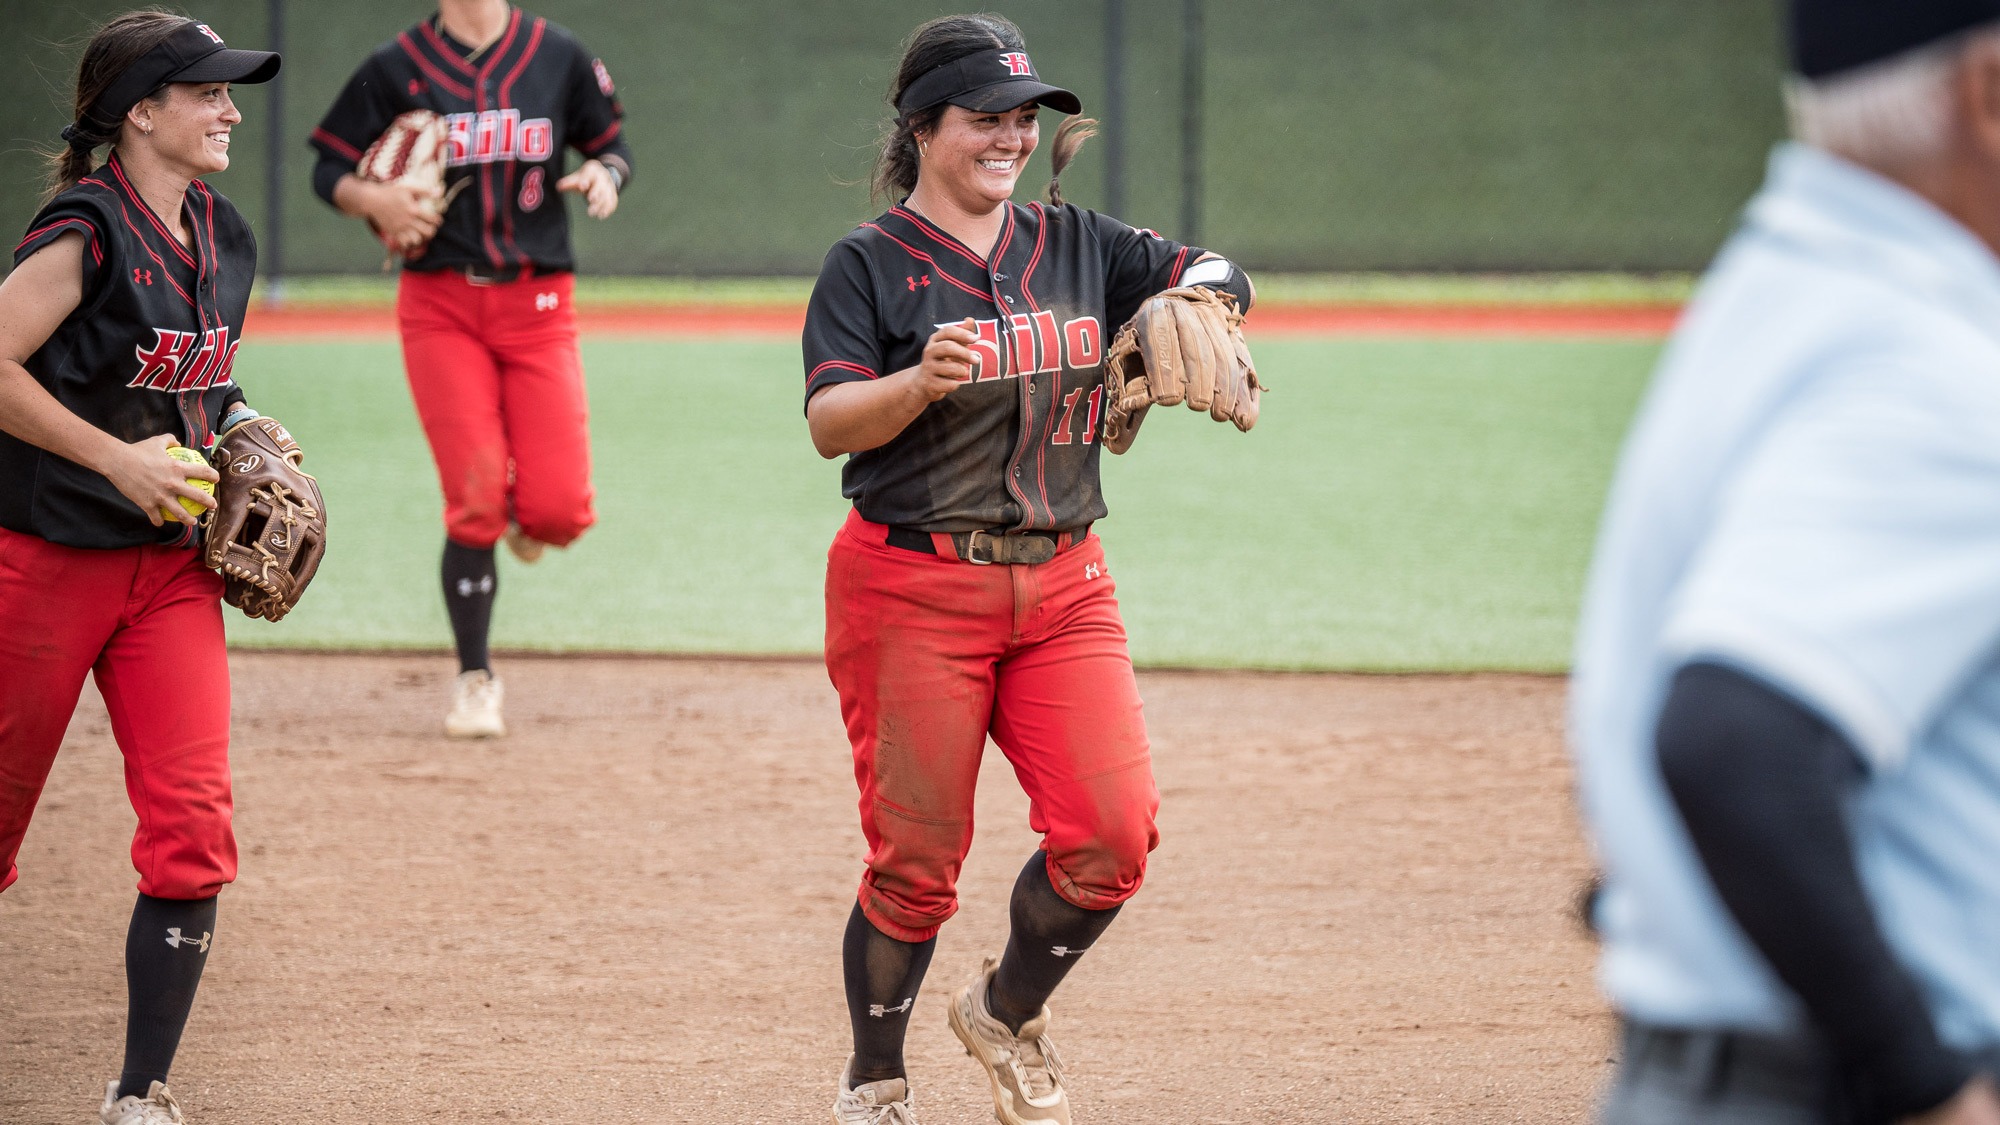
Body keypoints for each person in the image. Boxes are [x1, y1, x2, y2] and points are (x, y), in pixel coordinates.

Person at [802, 14, 1257, 1124]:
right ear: (923, 130)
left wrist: (1191, 299)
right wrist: (914, 386)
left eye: (1020, 119)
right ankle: (875, 1083)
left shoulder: (1079, 242)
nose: (1007, 138)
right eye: (982, 119)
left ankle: (1004, 1012)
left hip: (1064, 588)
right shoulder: (868, 264)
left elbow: (1216, 265)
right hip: (910, 585)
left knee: (1111, 835)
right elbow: (827, 421)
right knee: (915, 866)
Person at [1572, 2, 2000, 1122]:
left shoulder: (1780, 294)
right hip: (1818, 1089)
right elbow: (1730, 737)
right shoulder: (1925, 366)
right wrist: (1922, 1082)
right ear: (1988, 95)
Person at [0, 12, 283, 1124]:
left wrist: (251, 423)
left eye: (229, 92)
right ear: (141, 113)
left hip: (169, 574)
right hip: (47, 563)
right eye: (207, 93)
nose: (230, 110)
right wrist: (116, 459)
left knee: (192, 826)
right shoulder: (85, 231)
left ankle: (140, 1095)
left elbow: (200, 380)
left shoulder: (222, 229)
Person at [308, 0, 632, 739]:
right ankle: (475, 677)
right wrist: (377, 199)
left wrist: (607, 175)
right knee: (476, 498)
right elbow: (329, 165)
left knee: (558, 512)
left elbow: (612, 145)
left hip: (540, 301)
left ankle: (525, 515)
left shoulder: (558, 54)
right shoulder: (398, 64)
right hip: (439, 304)